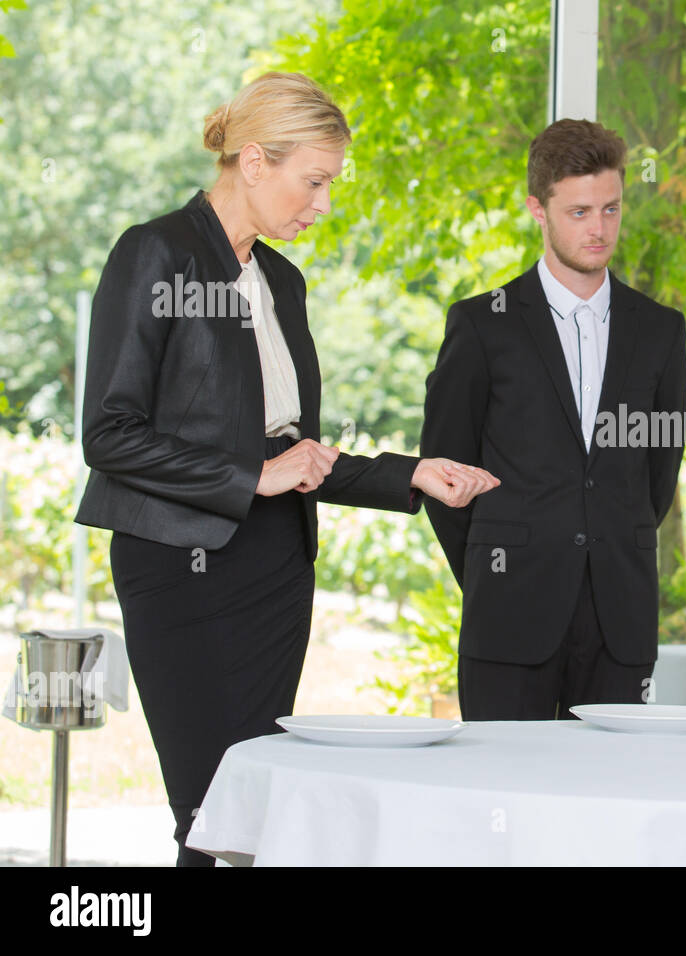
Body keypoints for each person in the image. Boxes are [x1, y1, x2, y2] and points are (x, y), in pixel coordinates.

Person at [74, 72, 500, 866]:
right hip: (180, 569)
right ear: (257, 161)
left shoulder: (282, 282)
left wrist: (408, 474)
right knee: (207, 814)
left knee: (256, 814)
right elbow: (109, 433)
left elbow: (293, 455)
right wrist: (249, 475)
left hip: (275, 569)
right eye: (315, 181)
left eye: (330, 185)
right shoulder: (155, 252)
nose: (322, 205)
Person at [421, 118, 686, 721]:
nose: (599, 229)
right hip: (508, 609)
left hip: (621, 617)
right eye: (579, 212)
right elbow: (444, 471)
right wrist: (497, 568)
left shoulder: (660, 330)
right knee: (504, 797)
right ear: (537, 210)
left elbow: (659, 473)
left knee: (610, 801)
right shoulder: (481, 324)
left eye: (611, 209)